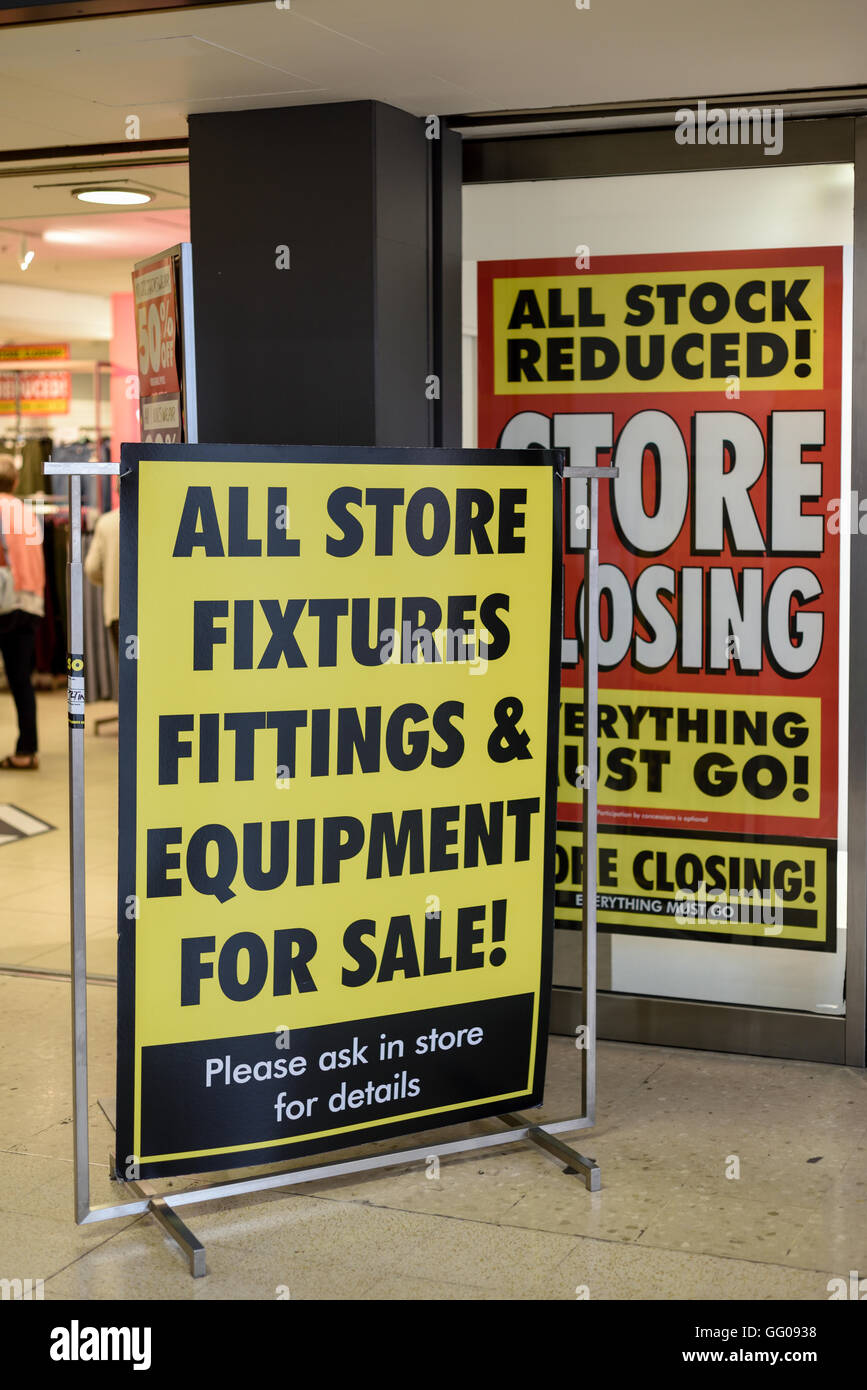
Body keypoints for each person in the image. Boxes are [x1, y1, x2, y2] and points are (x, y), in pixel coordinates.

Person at [0, 453, 45, 770]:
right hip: (30, 602)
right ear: (16, 481)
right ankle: (27, 750)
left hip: (4, 600)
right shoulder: (26, 511)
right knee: (21, 681)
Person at [84, 505, 119, 655]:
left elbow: (91, 568)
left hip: (116, 608)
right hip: (153, 611)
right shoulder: (156, 519)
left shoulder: (106, 523)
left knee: (126, 671)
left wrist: (110, 580)